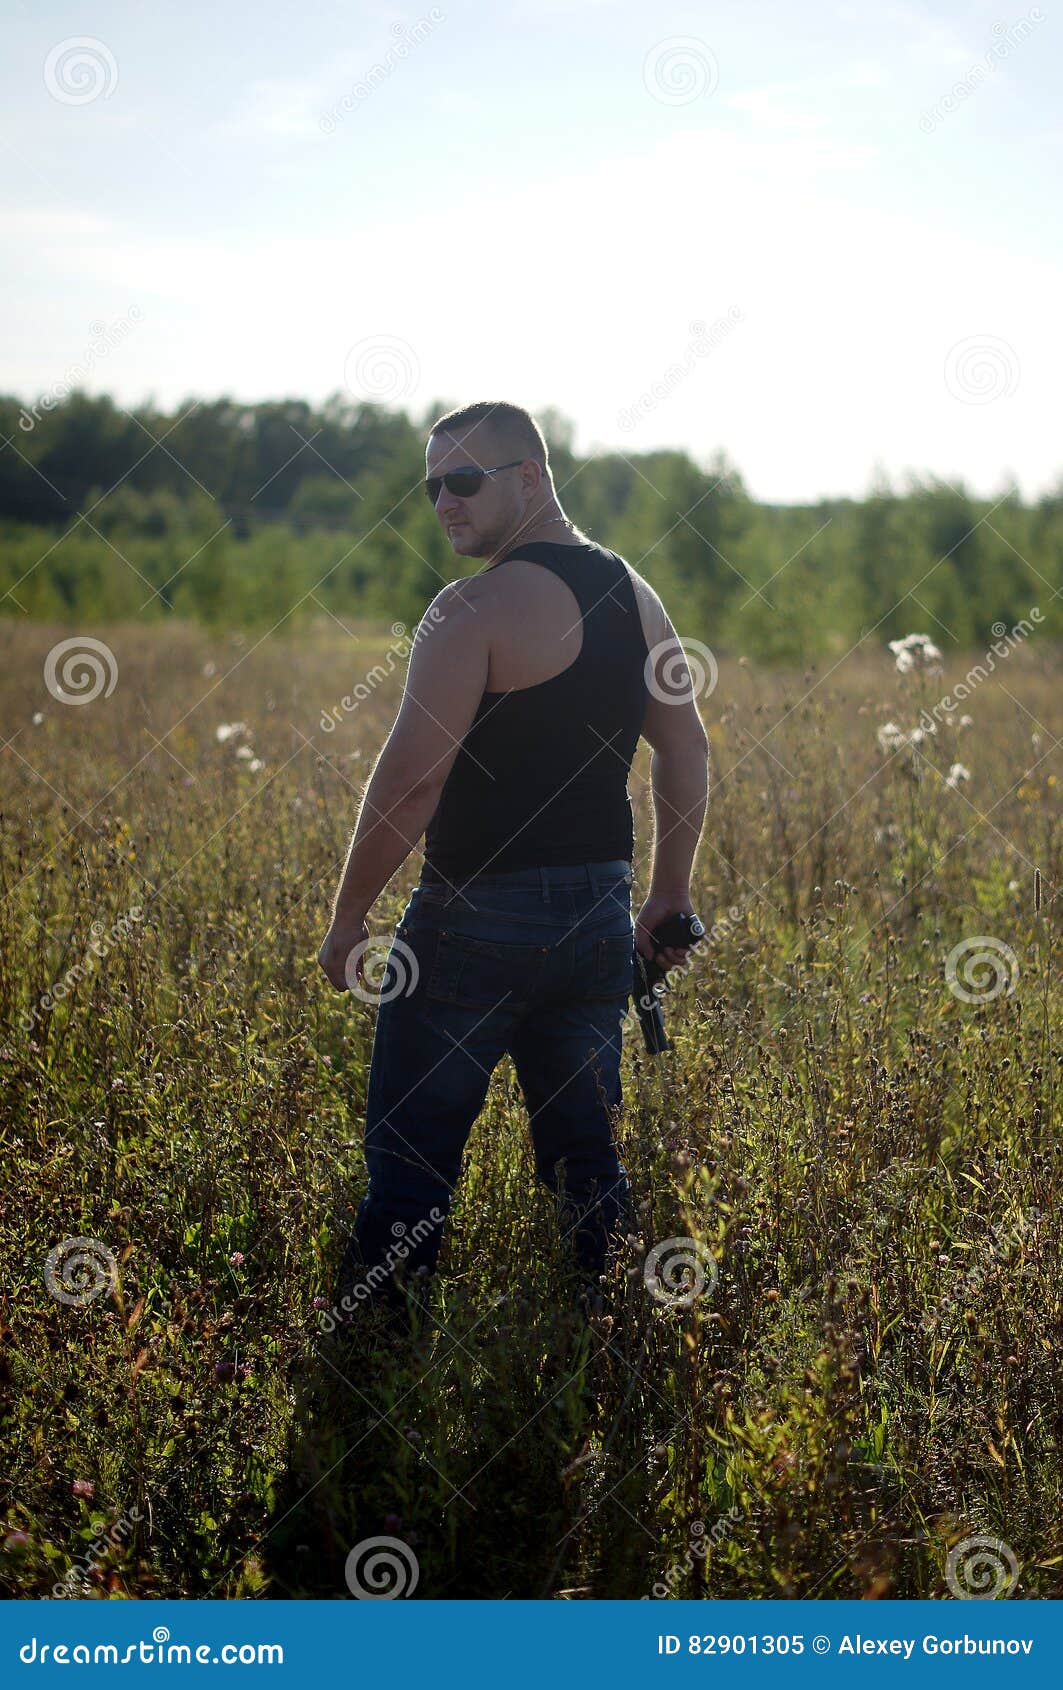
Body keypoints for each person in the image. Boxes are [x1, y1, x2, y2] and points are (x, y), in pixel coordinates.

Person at [318, 400, 709, 1326]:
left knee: (409, 1180)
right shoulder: (636, 595)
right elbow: (686, 748)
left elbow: (412, 783)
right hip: (593, 926)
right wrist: (665, 895)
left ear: (529, 479)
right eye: (431, 486)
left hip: (468, 925)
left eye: (463, 481)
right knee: (587, 1165)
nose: (443, 502)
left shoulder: (471, 608)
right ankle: (607, 1343)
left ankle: (368, 1375)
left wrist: (346, 919)